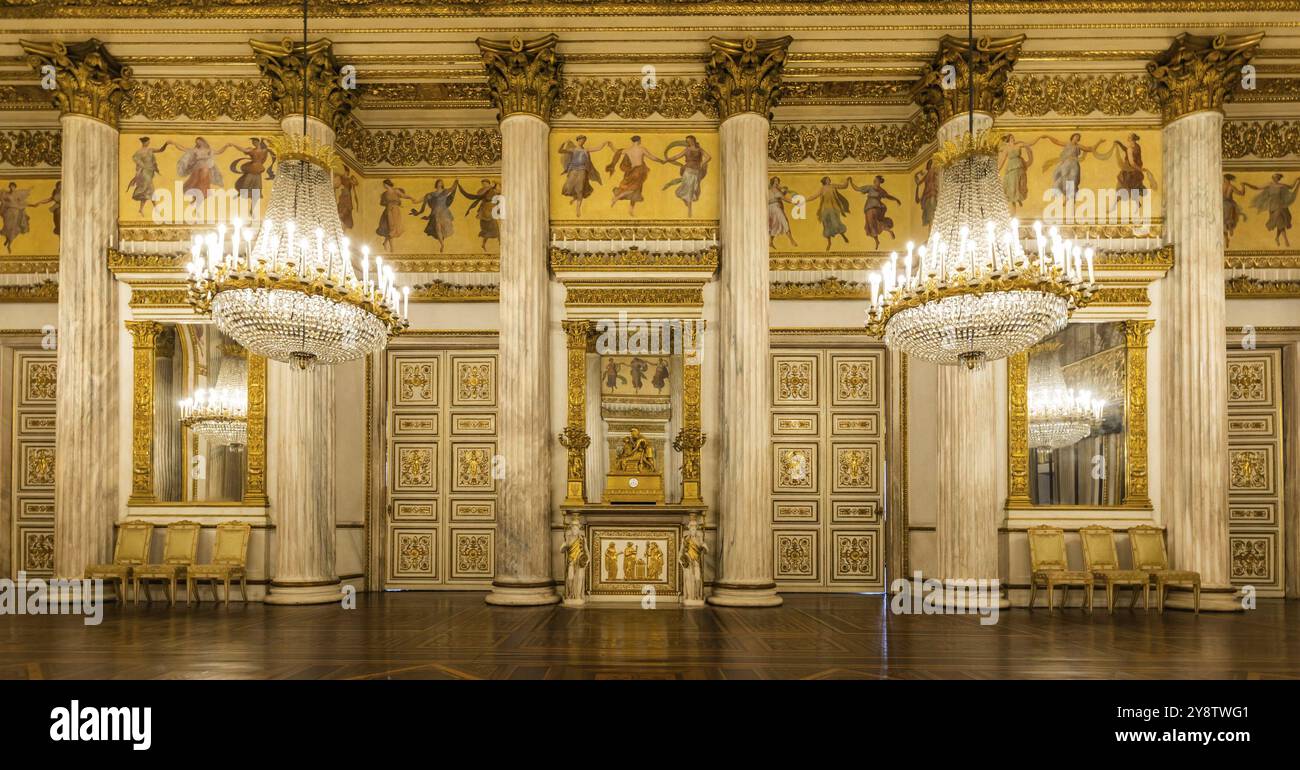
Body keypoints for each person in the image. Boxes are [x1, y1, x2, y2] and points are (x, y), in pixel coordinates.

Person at [605, 135, 665, 216]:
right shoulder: (641, 149)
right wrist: (660, 160)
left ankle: (631, 210)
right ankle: (617, 197)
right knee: (633, 189)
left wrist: (611, 146)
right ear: (639, 140)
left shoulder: (628, 150)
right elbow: (652, 157)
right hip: (639, 172)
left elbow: (616, 151)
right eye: (640, 140)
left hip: (631, 171)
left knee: (636, 191)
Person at [1039, 132, 1106, 202]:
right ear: (1072, 137)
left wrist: (1099, 142)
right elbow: (1056, 141)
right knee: (1064, 176)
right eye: (1075, 136)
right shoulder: (1067, 144)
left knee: (1074, 178)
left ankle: (1070, 196)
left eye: (1078, 137)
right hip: (1066, 162)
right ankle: (1064, 195)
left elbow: (1090, 149)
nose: (1077, 138)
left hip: (1074, 163)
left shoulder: (1078, 146)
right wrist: (1047, 136)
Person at [558, 135, 611, 217]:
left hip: (582, 170)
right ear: (578, 140)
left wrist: (604, 143)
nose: (583, 142)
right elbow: (560, 151)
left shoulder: (586, 150)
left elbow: (598, 148)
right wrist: (563, 142)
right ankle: (575, 198)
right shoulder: (573, 150)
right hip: (573, 170)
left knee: (580, 189)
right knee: (568, 187)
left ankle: (578, 208)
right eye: (581, 140)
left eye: (584, 140)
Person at [663, 135, 710, 217]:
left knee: (693, 190)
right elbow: (677, 156)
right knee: (689, 189)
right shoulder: (687, 149)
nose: (689, 142)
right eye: (688, 141)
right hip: (688, 171)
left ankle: (687, 203)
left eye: (690, 140)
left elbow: (708, 157)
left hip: (696, 171)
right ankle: (689, 211)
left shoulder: (699, 149)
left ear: (694, 140)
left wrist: (703, 163)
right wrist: (667, 160)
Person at [849, 175, 901, 249]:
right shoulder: (870, 187)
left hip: (874, 208)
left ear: (879, 182)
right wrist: (851, 182)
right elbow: (857, 188)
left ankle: (886, 233)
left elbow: (888, 196)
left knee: (873, 224)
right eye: (874, 180)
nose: (874, 181)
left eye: (876, 180)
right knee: (873, 225)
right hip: (871, 208)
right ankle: (879, 239)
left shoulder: (880, 190)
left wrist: (896, 199)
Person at [1251, 173, 1300, 247]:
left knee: (1281, 222)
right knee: (1279, 223)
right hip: (1273, 207)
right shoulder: (1269, 185)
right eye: (1273, 177)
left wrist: (1297, 180)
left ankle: (1279, 238)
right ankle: (1284, 239)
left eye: (1276, 177)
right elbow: (1256, 188)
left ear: (1278, 178)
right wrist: (1247, 184)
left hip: (1281, 206)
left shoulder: (1281, 186)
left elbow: (1291, 187)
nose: (1274, 178)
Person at [410, 179, 459, 252]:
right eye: (439, 183)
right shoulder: (431, 194)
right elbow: (422, 199)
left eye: (441, 183)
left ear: (442, 184)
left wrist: (456, 181)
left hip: (444, 212)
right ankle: (442, 244)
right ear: (436, 184)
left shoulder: (445, 192)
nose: (440, 184)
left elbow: (452, 188)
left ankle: (442, 240)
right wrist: (414, 200)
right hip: (435, 213)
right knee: (437, 228)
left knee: (444, 228)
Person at [127, 136, 173, 215]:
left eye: (149, 141)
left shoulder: (150, 150)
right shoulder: (139, 152)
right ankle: (156, 208)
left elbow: (161, 150)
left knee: (146, 192)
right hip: (144, 173)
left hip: (149, 172)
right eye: (148, 141)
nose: (149, 143)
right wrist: (143, 167)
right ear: (144, 142)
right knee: (151, 189)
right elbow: (137, 161)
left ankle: (141, 209)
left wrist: (166, 144)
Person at [806, 176, 851, 251]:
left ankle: (843, 235)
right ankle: (829, 242)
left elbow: (844, 186)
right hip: (825, 209)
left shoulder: (833, 186)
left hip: (833, 208)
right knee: (826, 225)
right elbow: (814, 196)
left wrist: (847, 180)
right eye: (827, 179)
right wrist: (804, 200)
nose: (829, 180)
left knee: (836, 223)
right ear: (824, 181)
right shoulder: (822, 189)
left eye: (829, 179)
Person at [460, 178, 501, 250]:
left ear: (488, 183)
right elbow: (479, 194)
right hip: (485, 210)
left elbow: (499, 193)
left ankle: (500, 242)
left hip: (492, 208)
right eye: (483, 184)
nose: (484, 185)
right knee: (486, 229)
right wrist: (488, 188)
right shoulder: (482, 190)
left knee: (495, 227)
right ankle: (483, 244)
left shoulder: (493, 190)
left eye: (485, 183)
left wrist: (496, 184)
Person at [376, 178, 415, 251]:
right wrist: (389, 203)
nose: (384, 186)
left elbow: (404, 196)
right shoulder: (384, 194)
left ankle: (385, 242)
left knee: (393, 229)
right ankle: (392, 248)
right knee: (391, 228)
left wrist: (411, 198)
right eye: (384, 185)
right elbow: (382, 203)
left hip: (396, 211)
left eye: (385, 184)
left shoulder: (396, 191)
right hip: (388, 211)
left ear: (387, 184)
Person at [998, 134, 1035, 212]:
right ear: (1007, 140)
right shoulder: (1006, 149)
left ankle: (1019, 197)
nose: (1013, 139)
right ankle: (1014, 203)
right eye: (1011, 138)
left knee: (1021, 183)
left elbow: (1029, 144)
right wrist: (997, 170)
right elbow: (1002, 161)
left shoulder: (1018, 145)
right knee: (1013, 185)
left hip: (1020, 166)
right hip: (1012, 168)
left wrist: (1029, 152)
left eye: (1013, 137)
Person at [1223, 174, 1255, 247]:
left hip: (1221, 205)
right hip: (1230, 204)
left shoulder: (1220, 186)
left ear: (1225, 179)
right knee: (1229, 218)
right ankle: (1229, 229)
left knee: (1222, 223)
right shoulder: (1231, 187)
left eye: (1223, 178)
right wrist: (1243, 186)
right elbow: (1241, 193)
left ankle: (1226, 237)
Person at [768, 176, 799, 247]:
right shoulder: (775, 190)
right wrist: (794, 202)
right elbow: (784, 198)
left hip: (771, 209)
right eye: (776, 181)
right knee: (785, 222)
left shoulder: (772, 190)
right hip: (776, 208)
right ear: (773, 182)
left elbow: (780, 196)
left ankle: (770, 242)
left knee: (773, 225)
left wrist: (784, 191)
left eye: (778, 181)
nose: (777, 182)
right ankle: (792, 241)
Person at [1, 182, 30, 253]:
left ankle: (9, 245)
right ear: (9, 187)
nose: (12, 188)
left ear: (15, 187)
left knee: (13, 227)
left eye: (13, 187)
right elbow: (3, 202)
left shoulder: (17, 195)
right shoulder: (5, 194)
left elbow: (22, 202)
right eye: (11, 186)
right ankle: (7, 239)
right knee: (7, 226)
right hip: (8, 213)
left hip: (16, 212)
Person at [914, 158, 939, 226]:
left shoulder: (932, 171)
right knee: (928, 208)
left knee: (931, 207)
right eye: (928, 164)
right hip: (927, 192)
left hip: (930, 191)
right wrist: (918, 173)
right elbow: (919, 182)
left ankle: (931, 222)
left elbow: (919, 182)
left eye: (928, 164)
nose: (927, 166)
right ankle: (930, 222)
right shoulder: (928, 173)